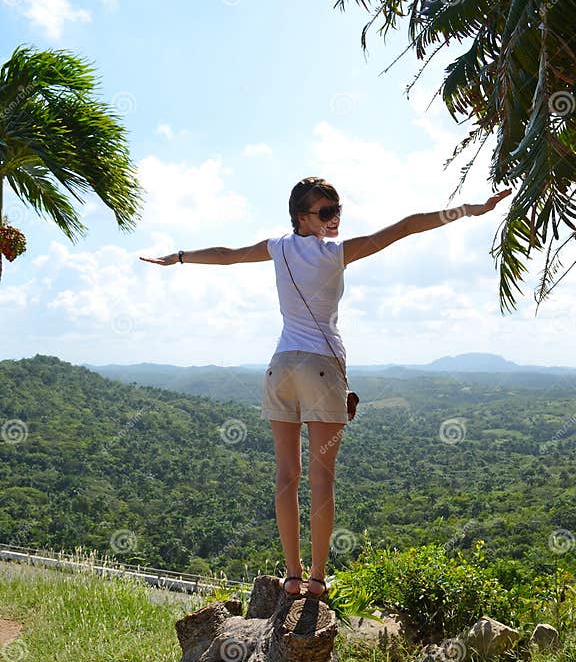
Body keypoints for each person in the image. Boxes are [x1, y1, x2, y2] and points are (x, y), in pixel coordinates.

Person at [140, 178, 512, 599]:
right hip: (321, 368)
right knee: (321, 478)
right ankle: (316, 580)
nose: (334, 219)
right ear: (302, 217)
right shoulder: (336, 254)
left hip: (280, 368)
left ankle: (292, 576)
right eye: (324, 212)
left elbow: (228, 256)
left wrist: (180, 257)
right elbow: (406, 227)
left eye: (337, 210)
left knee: (285, 476)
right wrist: (472, 209)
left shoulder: (276, 247)